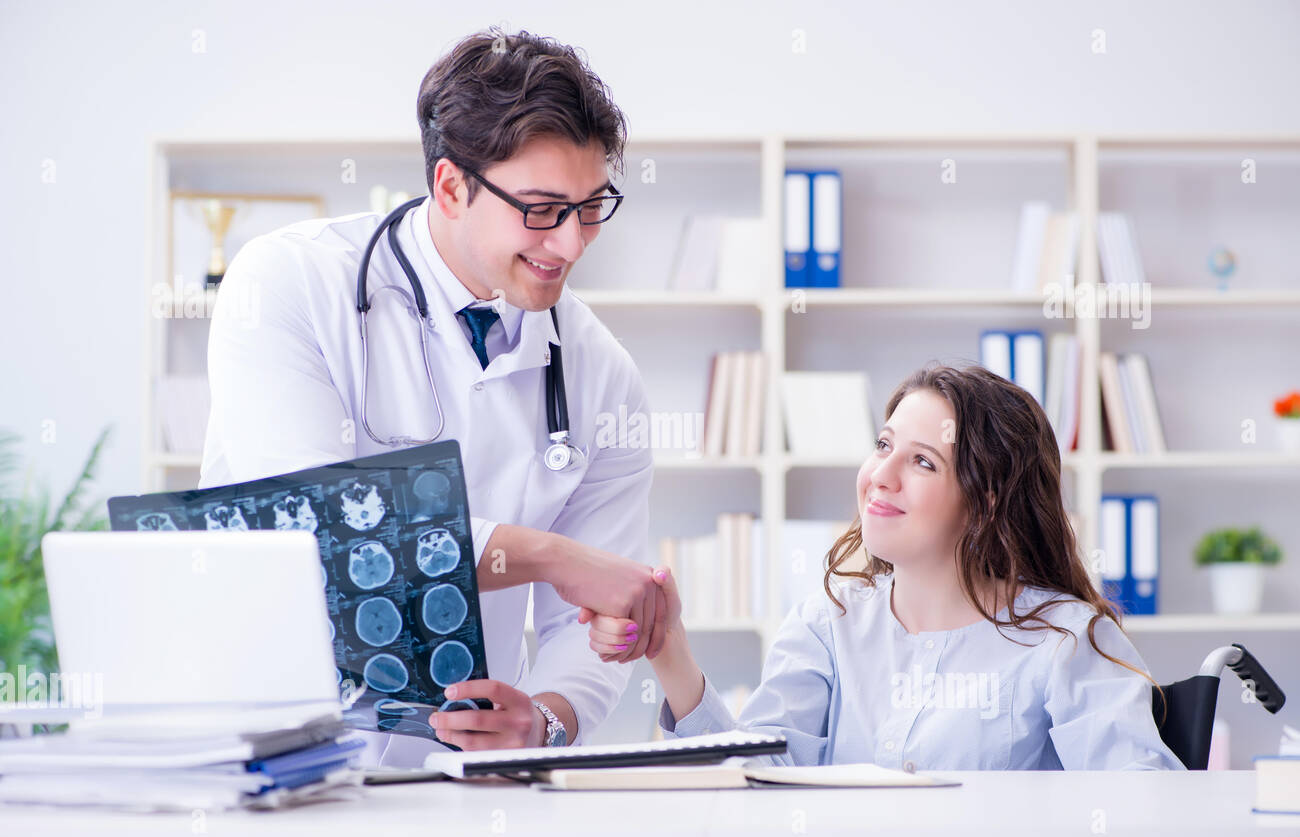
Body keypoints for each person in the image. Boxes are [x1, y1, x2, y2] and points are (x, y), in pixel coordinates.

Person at [200, 28, 667, 765]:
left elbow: (590, 621)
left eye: (590, 206)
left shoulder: (602, 372)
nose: (572, 244)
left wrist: (545, 720)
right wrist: (550, 555)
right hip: (268, 758)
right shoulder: (286, 285)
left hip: (461, 785)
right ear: (451, 186)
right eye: (542, 208)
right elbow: (316, 527)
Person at [582, 363, 1186, 771]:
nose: (881, 476)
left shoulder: (1064, 638)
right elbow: (759, 784)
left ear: (988, 498)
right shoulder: (828, 622)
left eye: (922, 462)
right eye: (882, 445)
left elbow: (1140, 805)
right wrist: (669, 652)